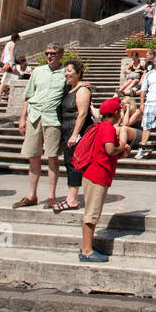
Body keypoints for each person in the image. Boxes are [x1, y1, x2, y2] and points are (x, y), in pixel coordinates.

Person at [71, 97, 132, 264]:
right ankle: (86, 250)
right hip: (97, 174)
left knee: (92, 212)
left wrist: (121, 151)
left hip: (97, 173)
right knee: (92, 213)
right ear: (115, 113)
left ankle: (87, 247)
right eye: (119, 111)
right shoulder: (108, 128)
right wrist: (122, 145)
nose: (121, 113)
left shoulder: (102, 126)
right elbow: (110, 149)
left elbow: (107, 152)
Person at [14, 43, 67, 208]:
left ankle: (51, 195)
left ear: (60, 55)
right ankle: (32, 195)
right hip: (35, 116)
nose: (49, 56)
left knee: (52, 157)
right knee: (33, 156)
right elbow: (28, 96)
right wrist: (22, 118)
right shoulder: (37, 71)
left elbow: (76, 87)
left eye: (53, 53)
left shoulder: (65, 73)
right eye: (47, 53)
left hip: (53, 118)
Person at [53, 61, 94, 213]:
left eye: (69, 71)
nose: (66, 74)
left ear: (78, 72)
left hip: (75, 132)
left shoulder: (82, 90)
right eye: (65, 71)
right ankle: (71, 197)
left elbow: (82, 113)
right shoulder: (68, 89)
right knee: (69, 164)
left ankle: (72, 199)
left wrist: (75, 134)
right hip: (67, 130)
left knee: (74, 165)